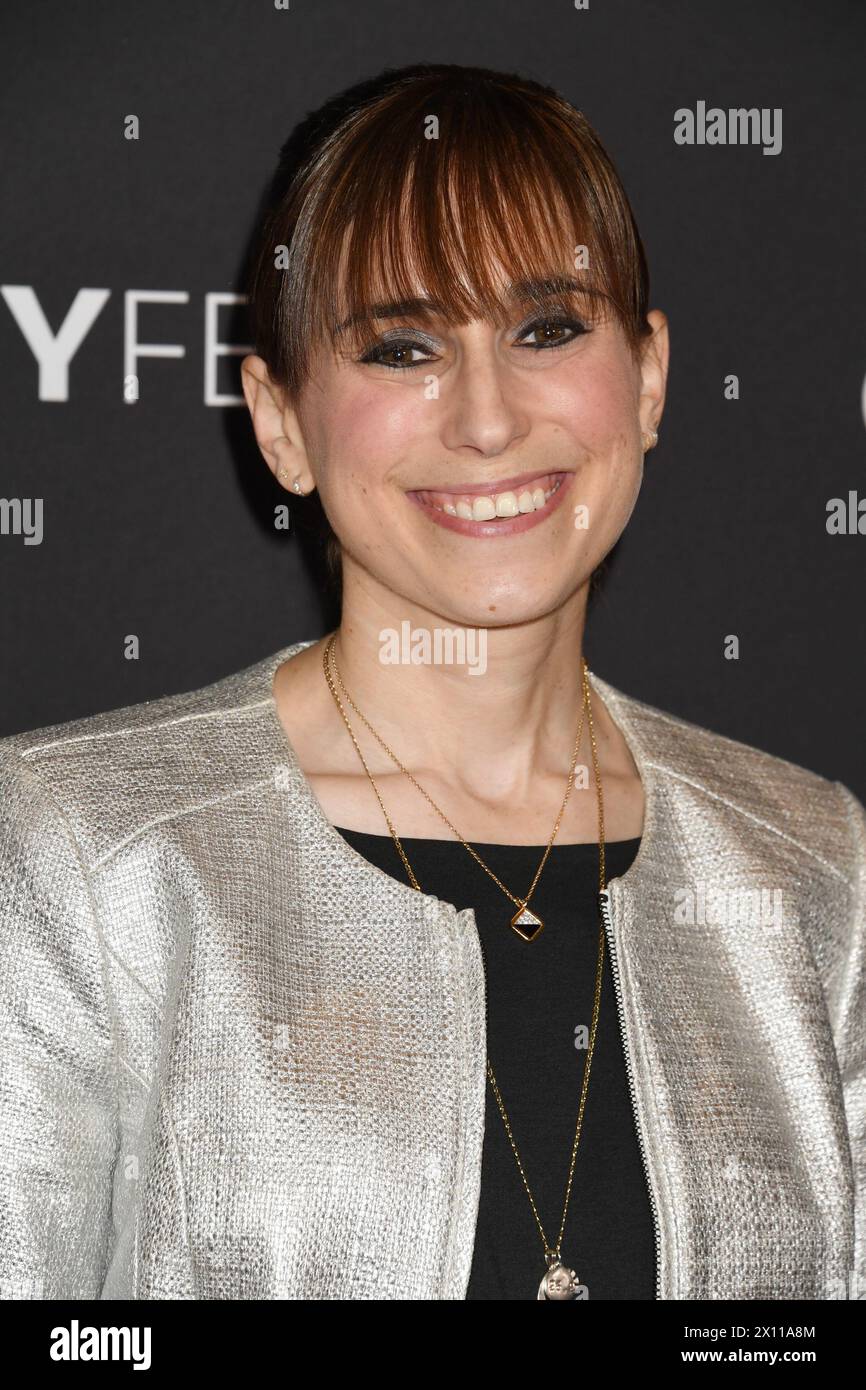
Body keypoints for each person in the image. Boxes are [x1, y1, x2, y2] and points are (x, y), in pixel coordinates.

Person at [0, 63, 863, 1302]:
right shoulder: (80, 855)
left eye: (547, 329)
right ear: (281, 421)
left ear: (650, 376)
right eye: (401, 347)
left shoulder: (813, 868)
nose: (487, 417)